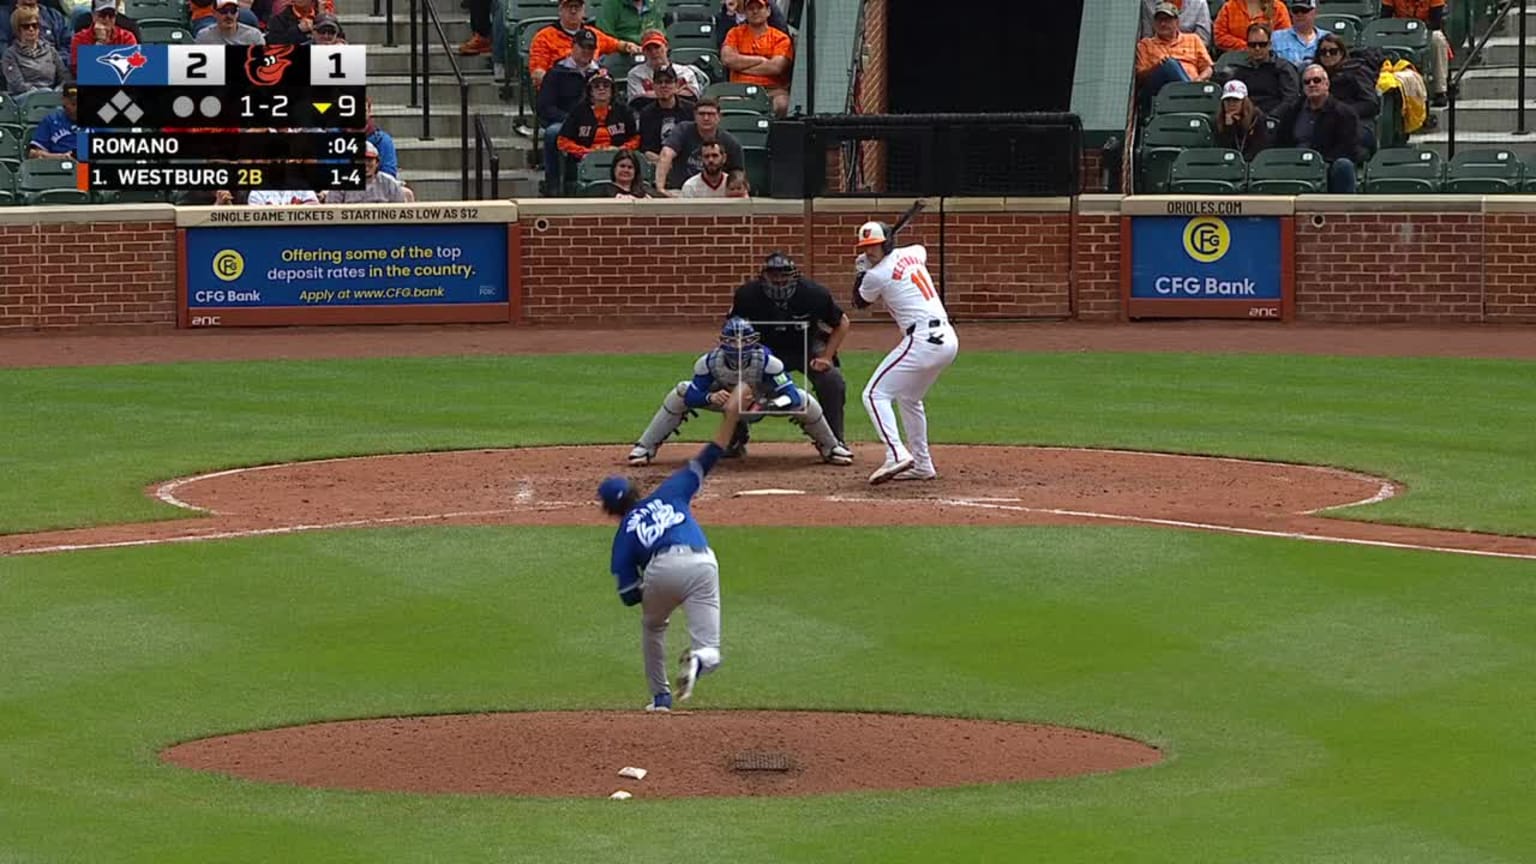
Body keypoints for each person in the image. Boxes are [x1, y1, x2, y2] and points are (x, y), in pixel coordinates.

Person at [600, 381, 748, 712]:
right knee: (711, 649)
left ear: (610, 510)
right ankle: (699, 659)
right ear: (637, 490)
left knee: (653, 628)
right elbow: (712, 453)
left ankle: (661, 699)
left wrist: (656, 594)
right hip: (702, 563)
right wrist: (731, 415)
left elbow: (628, 594)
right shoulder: (670, 491)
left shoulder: (625, 532)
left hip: (661, 569)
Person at [626, 317, 853, 467]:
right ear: (723, 342)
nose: (739, 346)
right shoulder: (708, 362)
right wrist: (710, 397)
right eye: (733, 341)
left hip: (762, 402)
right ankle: (645, 448)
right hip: (725, 402)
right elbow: (692, 394)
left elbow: (791, 397)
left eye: (743, 341)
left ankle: (831, 447)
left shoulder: (769, 363)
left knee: (804, 400)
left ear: (753, 341)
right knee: (679, 392)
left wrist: (765, 405)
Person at [851, 219, 957, 485]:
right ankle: (922, 465)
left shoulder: (876, 276)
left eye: (875, 245)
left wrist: (861, 273)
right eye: (866, 247)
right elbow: (919, 250)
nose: (869, 251)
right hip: (946, 339)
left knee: (873, 394)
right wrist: (882, 257)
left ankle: (896, 453)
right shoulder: (914, 253)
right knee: (909, 398)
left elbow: (859, 302)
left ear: (886, 243)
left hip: (922, 339)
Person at [728, 251, 852, 448]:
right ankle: (735, 437)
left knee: (832, 380)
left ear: (794, 275)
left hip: (806, 345)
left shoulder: (813, 294)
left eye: (784, 274)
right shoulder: (747, 295)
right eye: (773, 275)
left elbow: (842, 322)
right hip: (764, 349)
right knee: (733, 376)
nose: (779, 280)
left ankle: (833, 440)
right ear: (763, 276)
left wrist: (827, 357)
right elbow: (733, 328)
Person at [1273, 62, 1359, 192]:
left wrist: (1317, 163)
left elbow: (1347, 148)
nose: (1312, 84)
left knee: (1343, 165)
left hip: (1327, 166)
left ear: (1327, 84)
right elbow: (1280, 143)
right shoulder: (1291, 112)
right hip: (1294, 164)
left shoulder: (1344, 113)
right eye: (1307, 82)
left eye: (1317, 80)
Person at [1136, 2, 1212, 112]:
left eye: (1167, 20)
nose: (1163, 24)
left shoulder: (1193, 39)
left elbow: (1208, 68)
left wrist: (1197, 81)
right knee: (1169, 65)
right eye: (1159, 20)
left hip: (1191, 83)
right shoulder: (1145, 44)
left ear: (1177, 22)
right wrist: (1157, 67)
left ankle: (1189, 94)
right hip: (1158, 91)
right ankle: (1191, 98)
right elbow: (1140, 77)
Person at [719, 0, 792, 116]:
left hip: (771, 90)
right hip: (739, 90)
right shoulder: (734, 33)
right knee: (721, 103)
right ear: (745, 13)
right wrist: (761, 60)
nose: (755, 11)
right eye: (750, 8)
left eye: (759, 8)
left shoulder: (781, 38)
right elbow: (727, 59)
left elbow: (776, 67)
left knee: (783, 103)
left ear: (768, 11)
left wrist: (739, 66)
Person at [1225, 22, 1298, 116]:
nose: (1257, 48)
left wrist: (1272, 117)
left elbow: (1290, 99)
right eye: (1252, 45)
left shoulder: (1282, 68)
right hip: (1247, 118)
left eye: (1262, 44)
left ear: (1269, 45)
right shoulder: (1241, 69)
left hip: (1276, 118)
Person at [3, 6, 69, 96]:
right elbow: (17, 85)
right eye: (26, 26)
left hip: (52, 95)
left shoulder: (50, 50)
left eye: (35, 25)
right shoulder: (10, 55)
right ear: (18, 29)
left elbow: (65, 76)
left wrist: (58, 90)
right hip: (25, 98)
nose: (31, 29)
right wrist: (42, 93)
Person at [324, 141, 406, 202]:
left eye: (369, 160)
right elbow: (330, 212)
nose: (365, 164)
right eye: (361, 161)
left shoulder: (390, 183)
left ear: (377, 163)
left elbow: (401, 211)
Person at [68, 0, 134, 73]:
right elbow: (79, 71)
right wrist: (100, 43)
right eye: (102, 14)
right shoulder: (79, 39)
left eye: (111, 15)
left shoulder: (127, 38)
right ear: (93, 15)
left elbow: (132, 69)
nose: (107, 19)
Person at [1214, 79, 1269, 160]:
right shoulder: (1220, 120)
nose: (1231, 104)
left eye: (1236, 100)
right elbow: (1222, 148)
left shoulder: (1257, 118)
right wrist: (1229, 127)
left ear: (1244, 101)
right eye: (1227, 100)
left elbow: (1260, 147)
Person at [1212, 0, 1291, 53]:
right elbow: (1219, 37)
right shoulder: (1229, 7)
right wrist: (1247, 46)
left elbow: (1284, 39)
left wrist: (1259, 46)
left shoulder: (1278, 8)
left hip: (1269, 60)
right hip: (1235, 59)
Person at [25, 79, 79, 158]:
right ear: (64, 100)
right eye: (73, 103)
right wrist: (61, 157)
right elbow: (33, 153)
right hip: (60, 164)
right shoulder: (51, 120)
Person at [1271, 0, 1322, 67]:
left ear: (1315, 12)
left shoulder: (1325, 37)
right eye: (1295, 11)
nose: (1299, 14)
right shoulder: (1275, 38)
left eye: (1304, 10)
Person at [194, 0, 264, 44]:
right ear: (214, 13)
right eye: (223, 11)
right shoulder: (204, 37)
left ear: (237, 13)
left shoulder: (254, 36)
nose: (229, 15)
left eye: (233, 11)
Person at [596, 0, 664, 45]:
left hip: (649, 51)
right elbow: (604, 36)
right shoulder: (611, 4)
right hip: (619, 53)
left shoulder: (652, 6)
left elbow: (661, 35)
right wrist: (623, 46)